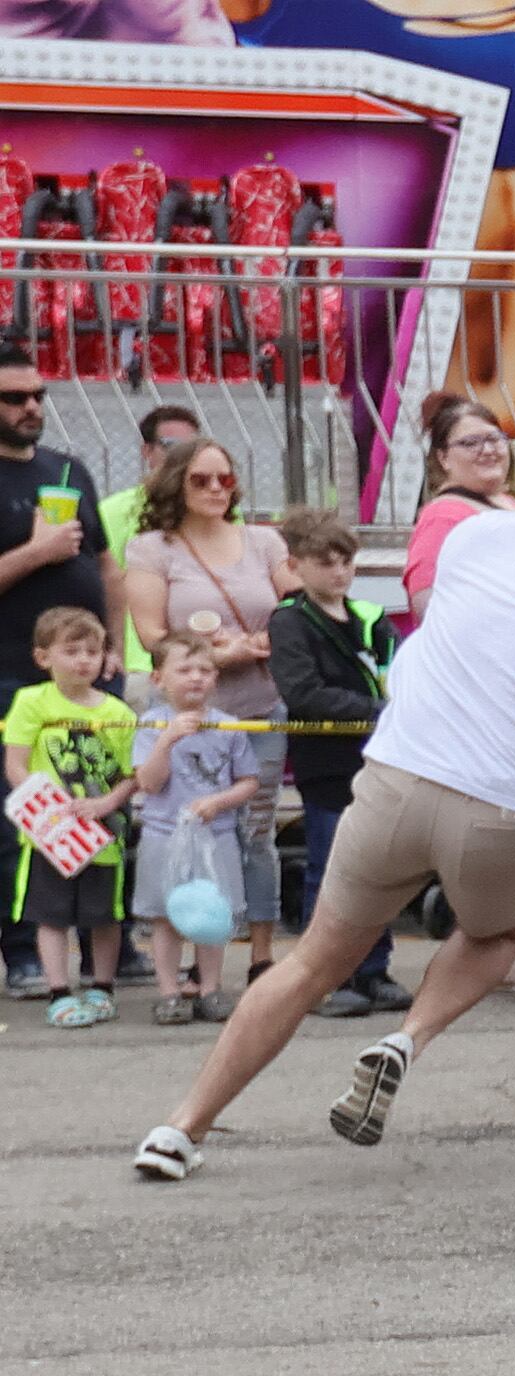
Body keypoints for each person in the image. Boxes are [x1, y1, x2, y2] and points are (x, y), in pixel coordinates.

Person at [133, 432, 515, 1182]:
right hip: (508, 799)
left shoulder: (476, 536)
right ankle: (408, 1039)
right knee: (496, 937)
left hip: (400, 771)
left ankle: (178, 1127)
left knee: (310, 966)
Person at [121, 436, 293, 974]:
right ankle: (192, 954)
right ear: (176, 484)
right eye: (201, 480)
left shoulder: (263, 541)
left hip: (257, 708)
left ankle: (261, 955)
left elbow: (295, 606)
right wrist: (218, 653)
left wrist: (263, 642)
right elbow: (151, 634)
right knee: (185, 829)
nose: (217, 489)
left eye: (225, 479)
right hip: (186, 716)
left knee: (257, 836)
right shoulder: (152, 548)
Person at [0, 340, 120, 1000]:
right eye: (14, 398)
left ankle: (107, 943)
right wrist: (37, 551)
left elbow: (105, 568)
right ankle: (23, 953)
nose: (30, 407)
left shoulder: (68, 468)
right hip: (14, 679)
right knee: (23, 817)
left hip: (89, 678)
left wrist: (115, 652)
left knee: (101, 809)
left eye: (39, 395)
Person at [267, 507, 410, 1016]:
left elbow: (401, 673)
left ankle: (373, 968)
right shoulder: (289, 621)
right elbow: (303, 692)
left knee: (382, 867)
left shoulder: (371, 619)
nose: (338, 573)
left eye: (346, 562)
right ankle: (326, 976)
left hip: (379, 759)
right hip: (327, 762)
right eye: (325, 563)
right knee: (330, 868)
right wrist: (377, 711)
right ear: (298, 566)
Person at [5, 604, 137, 1024]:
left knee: (104, 914)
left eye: (92, 651)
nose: (84, 660)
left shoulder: (119, 713)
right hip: (51, 832)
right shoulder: (31, 702)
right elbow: (16, 764)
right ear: (44, 658)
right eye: (72, 651)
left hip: (102, 829)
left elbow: (130, 775)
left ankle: (101, 986)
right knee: (51, 914)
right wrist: (43, 808)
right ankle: (59, 990)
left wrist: (106, 804)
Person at [130, 631, 262, 1020]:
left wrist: (218, 802)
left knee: (214, 916)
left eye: (205, 670)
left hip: (215, 834)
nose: (196, 677)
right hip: (163, 832)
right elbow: (148, 783)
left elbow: (248, 781)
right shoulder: (151, 724)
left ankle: (210, 988)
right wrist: (166, 742)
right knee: (164, 916)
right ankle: (169, 991)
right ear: (159, 679)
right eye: (184, 669)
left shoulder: (228, 726)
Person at [94, 402, 200, 687]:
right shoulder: (113, 511)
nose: (181, 456)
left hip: (204, 661)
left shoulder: (221, 511)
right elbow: (103, 582)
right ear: (147, 451)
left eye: (190, 448)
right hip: (140, 663)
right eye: (170, 445)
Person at [401, 397, 515, 623]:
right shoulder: (443, 516)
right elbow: (426, 600)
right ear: (443, 458)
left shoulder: (509, 503)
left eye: (495, 439)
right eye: (470, 443)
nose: (487, 450)